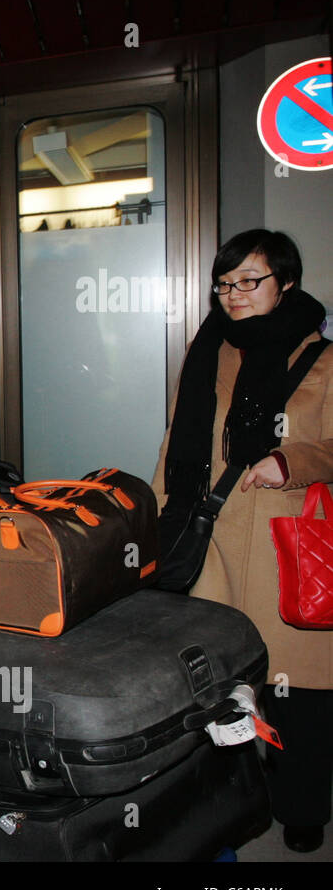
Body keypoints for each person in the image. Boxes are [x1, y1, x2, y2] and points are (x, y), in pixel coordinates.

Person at [151, 229, 333, 854]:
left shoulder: (324, 359)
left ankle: (303, 806)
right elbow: (176, 443)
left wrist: (294, 458)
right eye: (224, 284)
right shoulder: (207, 352)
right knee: (216, 687)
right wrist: (157, 525)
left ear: (285, 283)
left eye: (248, 281)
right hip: (216, 541)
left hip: (288, 546)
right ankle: (227, 803)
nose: (233, 295)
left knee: (298, 695)